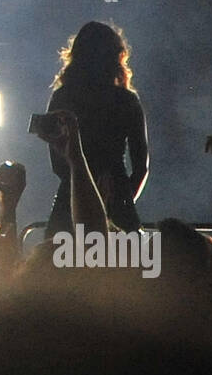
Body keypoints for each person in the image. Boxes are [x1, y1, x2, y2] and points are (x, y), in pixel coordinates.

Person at [43, 22, 148, 237]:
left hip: (70, 197)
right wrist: (123, 199)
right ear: (115, 56)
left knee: (56, 264)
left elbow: (57, 163)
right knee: (123, 266)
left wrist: (80, 185)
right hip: (116, 195)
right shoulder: (126, 100)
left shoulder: (63, 98)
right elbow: (141, 165)